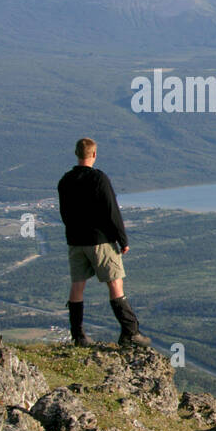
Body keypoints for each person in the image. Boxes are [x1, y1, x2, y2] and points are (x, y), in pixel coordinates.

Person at [56, 138, 148, 347]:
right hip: (100, 240)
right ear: (94, 154)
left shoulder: (65, 180)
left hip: (75, 240)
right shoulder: (99, 179)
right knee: (115, 282)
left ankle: (78, 336)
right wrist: (122, 239)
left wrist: (73, 231)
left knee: (77, 285)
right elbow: (111, 211)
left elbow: (64, 212)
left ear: (76, 153)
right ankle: (130, 332)